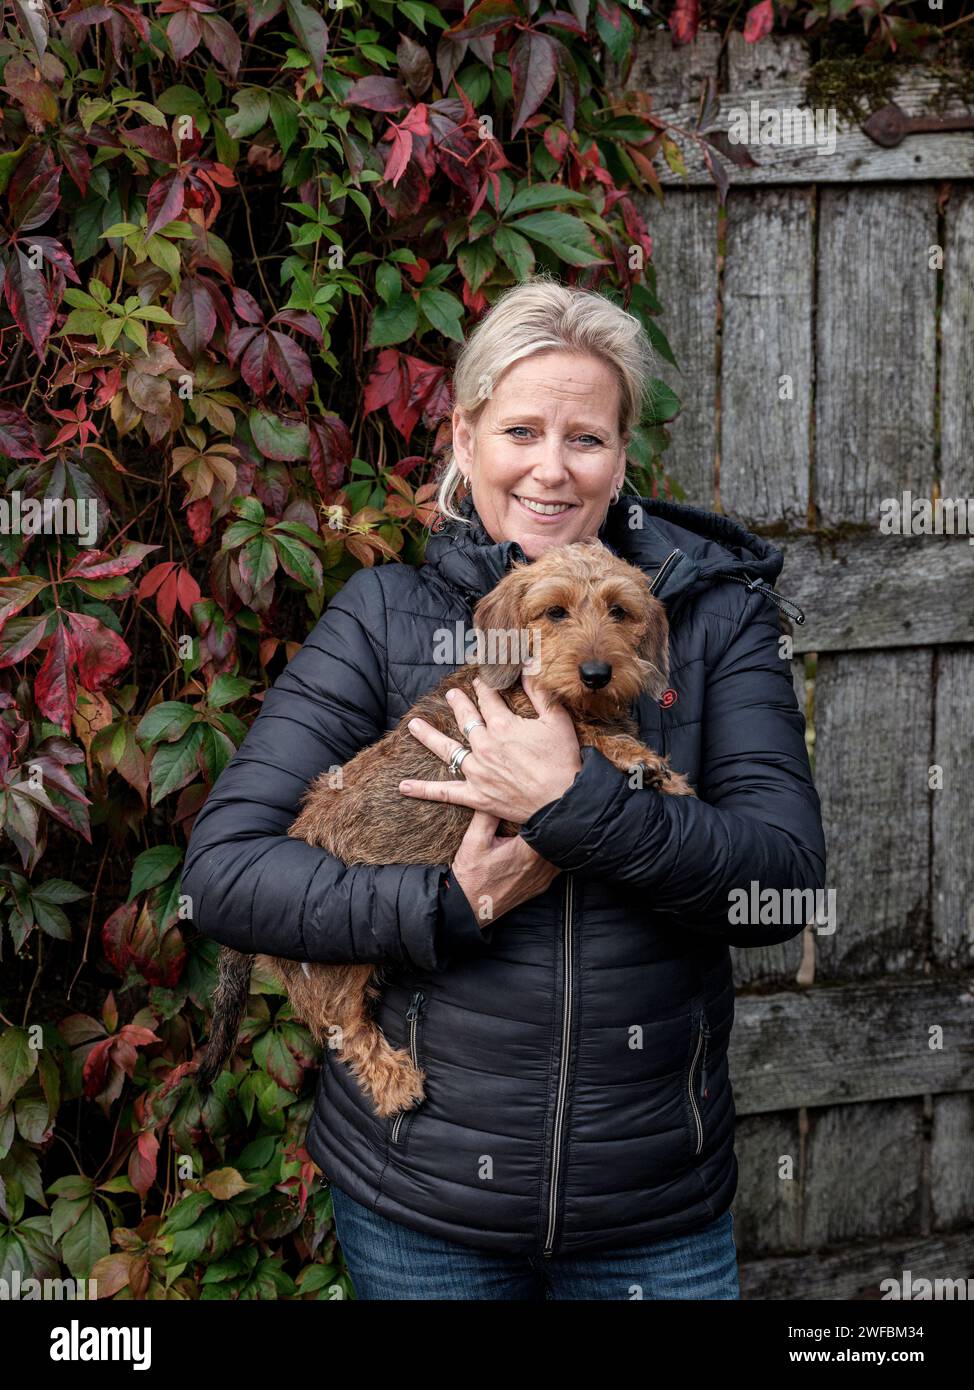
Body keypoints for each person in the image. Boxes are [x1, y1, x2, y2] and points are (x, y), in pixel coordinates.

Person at [181, 276, 827, 1300]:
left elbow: (786, 886)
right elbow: (223, 878)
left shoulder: (709, 618)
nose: (550, 468)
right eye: (519, 429)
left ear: (620, 456)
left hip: (652, 1204)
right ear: (465, 436)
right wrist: (451, 904)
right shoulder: (383, 613)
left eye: (586, 437)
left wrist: (579, 804)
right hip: (420, 1205)